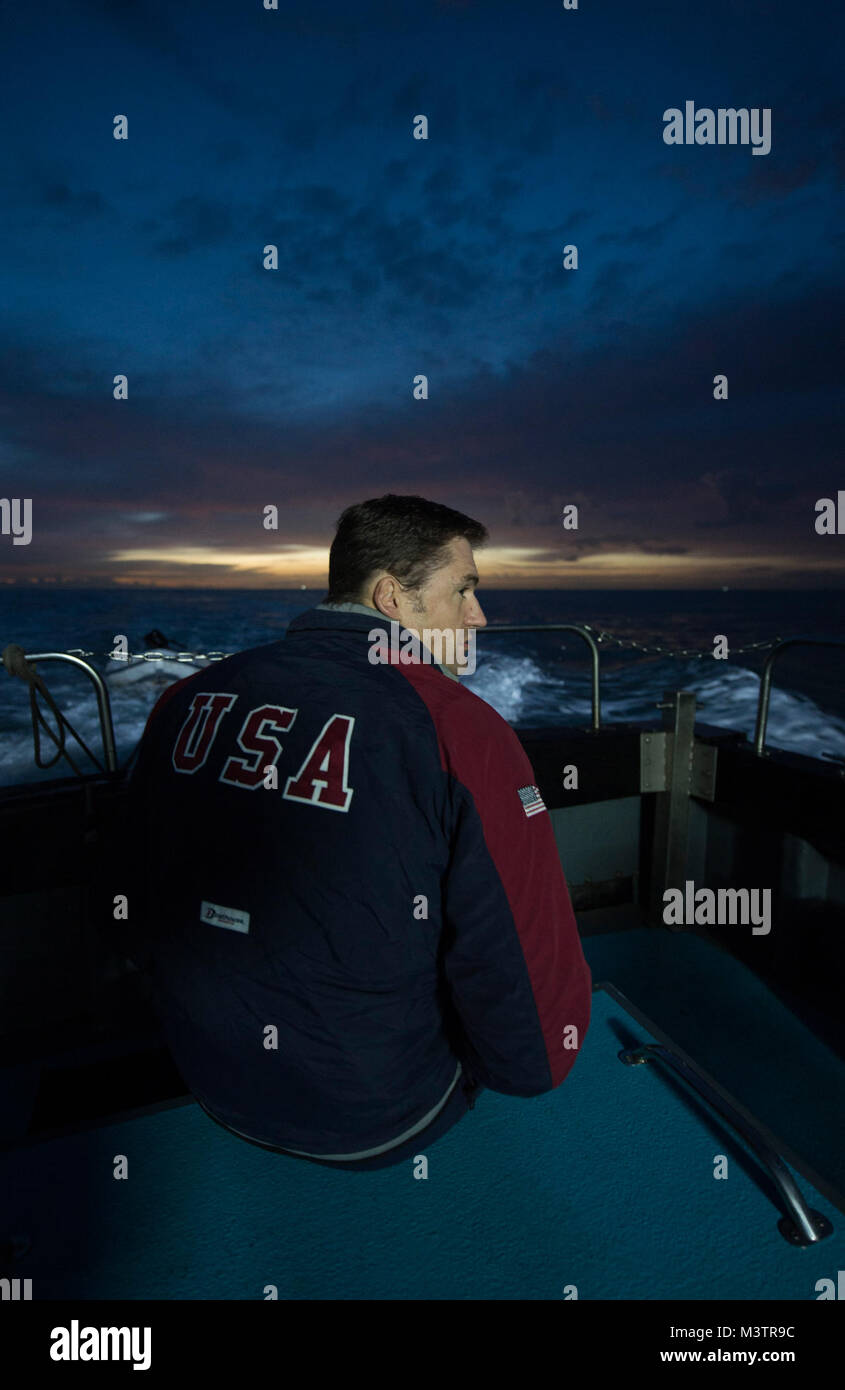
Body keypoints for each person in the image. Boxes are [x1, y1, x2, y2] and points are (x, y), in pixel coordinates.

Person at [125, 494, 591, 1171]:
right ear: (390, 597)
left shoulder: (186, 699)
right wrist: (538, 1067)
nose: (478, 616)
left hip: (206, 1075)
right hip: (374, 1118)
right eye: (463, 589)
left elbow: (127, 892)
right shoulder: (459, 729)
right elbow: (518, 958)